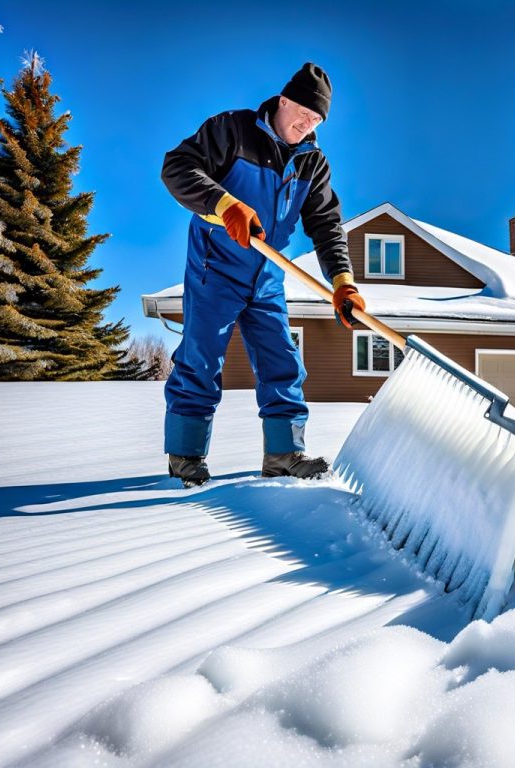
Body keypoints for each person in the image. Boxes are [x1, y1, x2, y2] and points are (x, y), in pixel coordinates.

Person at [161, 63, 365, 487]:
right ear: (283, 100)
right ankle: (185, 455)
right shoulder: (233, 130)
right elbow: (177, 168)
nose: (307, 125)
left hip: (267, 274)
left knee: (282, 361)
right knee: (201, 358)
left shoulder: (312, 163)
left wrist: (343, 281)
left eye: (317, 120)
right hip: (215, 266)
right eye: (303, 114)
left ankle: (284, 454)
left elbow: (326, 224)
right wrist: (224, 205)